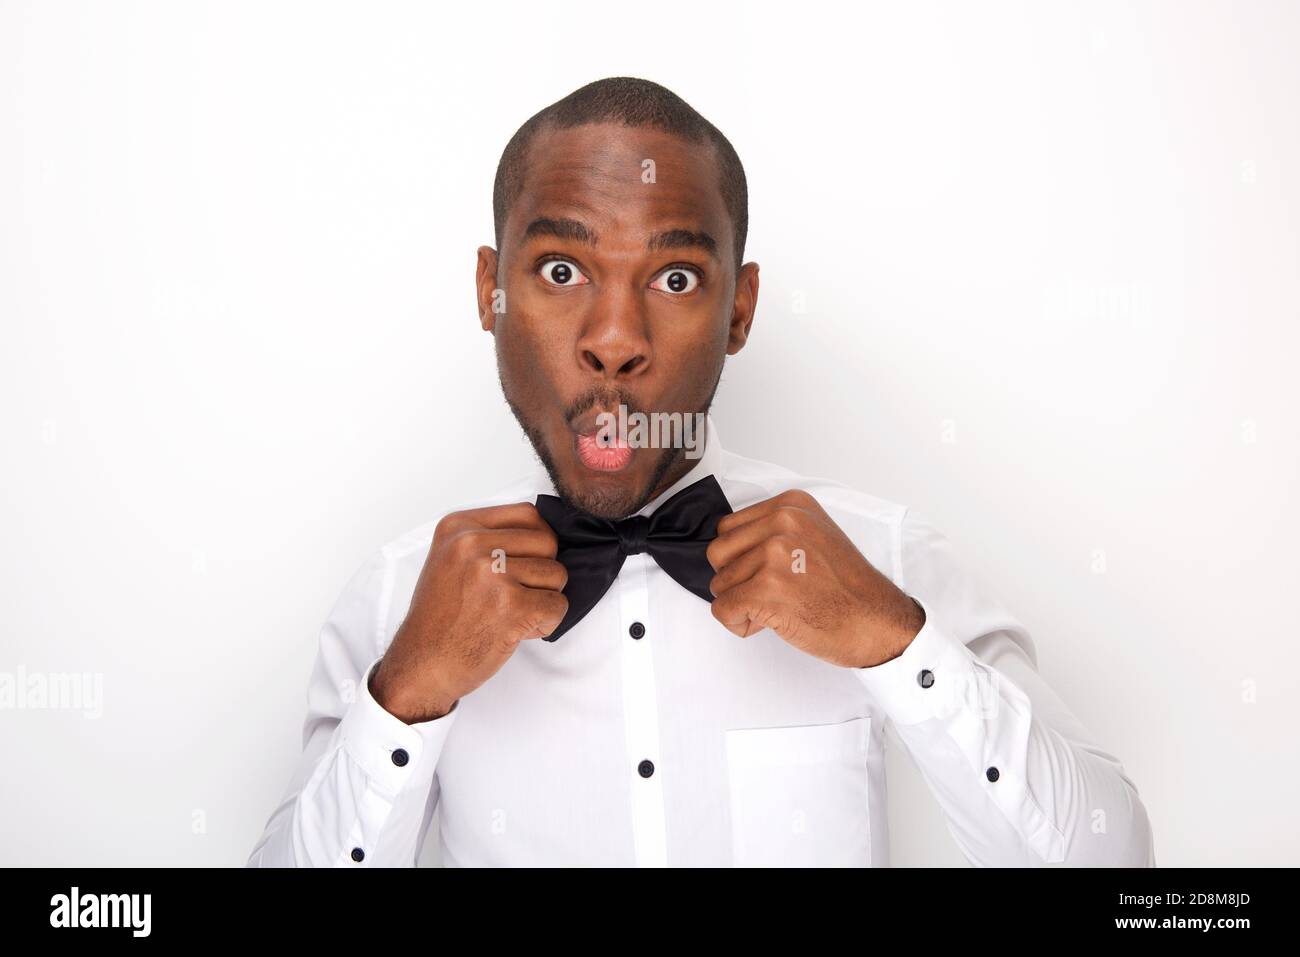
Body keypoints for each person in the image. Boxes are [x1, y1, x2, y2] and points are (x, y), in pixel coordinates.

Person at [247, 76, 1155, 867]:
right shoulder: (393, 600)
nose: (614, 341)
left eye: (674, 278)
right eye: (561, 268)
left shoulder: (883, 556)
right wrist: (406, 695)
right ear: (490, 291)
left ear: (739, 309)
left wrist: (896, 642)